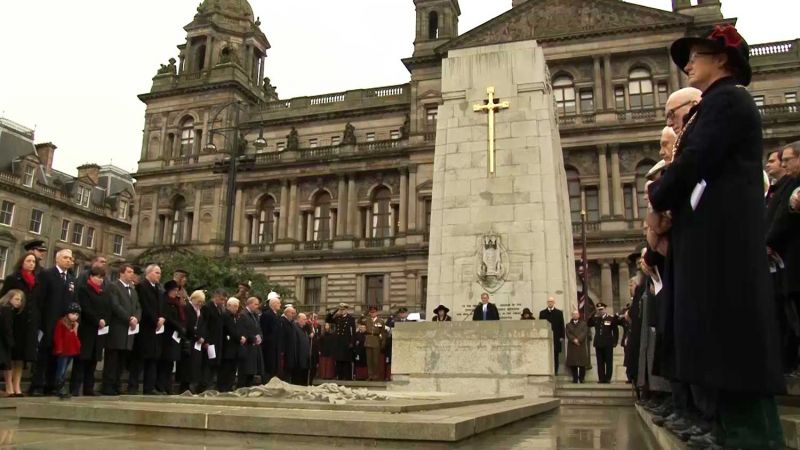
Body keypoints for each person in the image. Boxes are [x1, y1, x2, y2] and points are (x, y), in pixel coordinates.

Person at [649, 24, 785, 447]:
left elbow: (692, 164)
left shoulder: (728, 101)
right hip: (710, 240)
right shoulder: (716, 105)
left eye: (697, 55)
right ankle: (730, 431)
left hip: (724, 244)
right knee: (716, 340)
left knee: (732, 341)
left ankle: (753, 438)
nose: (688, 63)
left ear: (722, 60)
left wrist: (659, 194)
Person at [766, 142, 800, 375]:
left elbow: (782, 219)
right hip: (781, 258)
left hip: (792, 258)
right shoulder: (784, 186)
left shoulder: (791, 186)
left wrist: (769, 242)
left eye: (787, 159)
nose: (784, 163)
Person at [29, 249, 75, 396]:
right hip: (48, 322)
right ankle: (37, 385)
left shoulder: (71, 279)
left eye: (71, 258)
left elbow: (73, 300)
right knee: (44, 354)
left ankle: (51, 385)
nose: (69, 260)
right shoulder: (47, 275)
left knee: (58, 354)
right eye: (66, 258)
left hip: (64, 324)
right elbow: (39, 299)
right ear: (58, 259)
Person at [0, 252, 39, 396]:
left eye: (34, 262)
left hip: (29, 324)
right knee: (11, 355)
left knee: (21, 357)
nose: (31, 264)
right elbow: (4, 298)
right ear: (22, 262)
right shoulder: (13, 278)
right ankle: (9, 385)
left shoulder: (36, 281)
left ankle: (17, 385)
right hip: (15, 321)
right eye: (28, 261)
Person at [101, 264, 141, 396]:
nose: (132, 274)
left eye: (133, 272)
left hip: (129, 331)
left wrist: (136, 318)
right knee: (112, 359)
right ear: (122, 273)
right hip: (117, 328)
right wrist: (129, 318)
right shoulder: (114, 286)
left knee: (121, 360)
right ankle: (108, 386)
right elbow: (115, 305)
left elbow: (138, 307)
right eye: (129, 272)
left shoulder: (133, 290)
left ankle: (116, 385)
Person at [70, 266, 110, 396]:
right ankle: (75, 388)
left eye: (102, 278)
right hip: (87, 329)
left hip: (99, 331)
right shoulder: (83, 290)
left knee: (93, 361)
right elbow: (85, 308)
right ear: (91, 277)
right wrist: (97, 320)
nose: (100, 280)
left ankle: (89, 388)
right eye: (97, 277)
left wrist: (104, 320)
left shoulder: (103, 292)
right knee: (81, 359)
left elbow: (107, 308)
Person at [134, 264, 166, 395]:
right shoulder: (142, 287)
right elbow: (145, 306)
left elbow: (161, 306)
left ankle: (149, 387)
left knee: (153, 358)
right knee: (141, 358)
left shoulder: (158, 288)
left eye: (160, 273)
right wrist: (155, 320)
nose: (159, 275)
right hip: (146, 327)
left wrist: (162, 318)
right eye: (157, 272)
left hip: (157, 328)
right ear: (149, 273)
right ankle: (134, 386)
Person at [158, 280, 187, 395]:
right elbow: (168, 317)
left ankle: (168, 386)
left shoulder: (177, 303)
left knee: (170, 363)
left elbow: (182, 317)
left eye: (177, 290)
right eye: (174, 290)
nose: (176, 293)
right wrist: (179, 326)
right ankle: (161, 385)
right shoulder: (165, 301)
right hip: (167, 334)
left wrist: (182, 327)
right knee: (164, 362)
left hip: (176, 336)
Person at [198, 289, 226, 391]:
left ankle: (210, 384)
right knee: (207, 364)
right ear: (216, 297)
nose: (223, 302)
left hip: (218, 341)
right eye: (221, 299)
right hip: (209, 341)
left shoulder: (220, 309)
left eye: (224, 300)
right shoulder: (207, 307)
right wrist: (205, 341)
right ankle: (203, 385)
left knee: (214, 363)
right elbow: (204, 325)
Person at [52, 303, 81, 399]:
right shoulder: (62, 322)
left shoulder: (74, 325)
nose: (75, 316)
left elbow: (75, 338)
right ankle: (59, 387)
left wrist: (78, 347)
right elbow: (58, 336)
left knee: (64, 370)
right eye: (73, 314)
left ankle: (62, 387)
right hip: (63, 350)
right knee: (61, 369)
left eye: (77, 315)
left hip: (71, 351)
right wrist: (59, 348)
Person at [177, 289, 204, 393]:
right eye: (199, 301)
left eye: (201, 302)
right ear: (193, 299)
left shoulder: (199, 311)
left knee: (194, 365)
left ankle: (190, 385)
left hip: (197, 342)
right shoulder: (187, 308)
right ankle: (183, 386)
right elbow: (188, 324)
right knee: (186, 365)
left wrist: (202, 336)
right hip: (189, 339)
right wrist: (196, 336)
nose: (200, 303)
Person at [0, 290, 24, 396]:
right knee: (5, 363)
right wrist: (11, 342)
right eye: (17, 299)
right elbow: (7, 328)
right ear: (9, 298)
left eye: (21, 300)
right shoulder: (7, 310)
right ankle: (9, 388)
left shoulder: (7, 309)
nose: (19, 302)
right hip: (3, 341)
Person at [588, 303, 619, 384]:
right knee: (600, 362)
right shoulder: (596, 319)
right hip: (598, 343)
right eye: (599, 309)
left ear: (605, 309)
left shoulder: (610, 318)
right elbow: (588, 323)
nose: (600, 311)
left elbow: (615, 331)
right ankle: (601, 378)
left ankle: (608, 378)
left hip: (608, 343)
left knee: (608, 361)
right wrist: (593, 313)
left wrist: (615, 341)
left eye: (601, 309)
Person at [238, 297, 264, 387]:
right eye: (256, 304)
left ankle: (248, 388)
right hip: (247, 347)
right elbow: (243, 330)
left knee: (252, 372)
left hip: (255, 347)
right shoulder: (243, 315)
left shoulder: (255, 315)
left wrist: (260, 337)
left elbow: (258, 329)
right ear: (249, 304)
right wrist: (253, 338)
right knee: (245, 371)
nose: (257, 306)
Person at [219, 298, 243, 392]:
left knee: (232, 369)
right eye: (235, 306)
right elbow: (231, 330)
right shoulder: (226, 316)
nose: (237, 308)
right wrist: (240, 338)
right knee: (226, 369)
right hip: (228, 348)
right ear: (229, 306)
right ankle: (223, 388)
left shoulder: (234, 316)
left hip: (234, 348)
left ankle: (229, 386)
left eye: (237, 306)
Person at [326, 303, 355, 381]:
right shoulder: (338, 318)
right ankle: (340, 376)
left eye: (343, 309)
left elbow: (353, 331)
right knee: (339, 360)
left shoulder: (350, 318)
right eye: (341, 309)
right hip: (338, 342)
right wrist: (335, 310)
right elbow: (328, 319)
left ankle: (347, 377)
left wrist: (352, 342)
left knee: (346, 360)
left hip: (346, 342)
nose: (342, 311)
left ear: (346, 310)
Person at [539, 297, 565, 376]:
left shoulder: (559, 312)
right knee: (545, 355)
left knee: (555, 355)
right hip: (545, 338)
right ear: (547, 303)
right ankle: (546, 371)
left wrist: (562, 336)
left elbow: (561, 325)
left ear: (554, 302)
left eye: (551, 301)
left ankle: (555, 371)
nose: (550, 303)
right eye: (549, 301)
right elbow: (540, 325)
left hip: (556, 337)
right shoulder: (542, 313)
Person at [360, 306, 386, 381]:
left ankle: (376, 376)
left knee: (375, 360)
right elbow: (359, 321)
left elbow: (383, 333)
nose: (372, 314)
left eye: (374, 312)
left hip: (376, 341)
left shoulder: (380, 321)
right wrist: (364, 313)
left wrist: (383, 343)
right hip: (368, 341)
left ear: (376, 312)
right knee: (369, 360)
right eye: (371, 312)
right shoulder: (367, 320)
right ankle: (370, 375)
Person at [260, 292, 281, 380]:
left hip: (275, 345)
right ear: (273, 304)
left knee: (274, 368)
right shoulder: (266, 314)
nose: (280, 304)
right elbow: (264, 330)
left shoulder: (276, 315)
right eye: (279, 303)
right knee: (269, 367)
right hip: (269, 346)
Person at [565, 310, 589, 384]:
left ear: (578, 315)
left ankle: (582, 378)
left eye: (576, 314)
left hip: (580, 345)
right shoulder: (568, 325)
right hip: (572, 346)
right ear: (572, 316)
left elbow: (584, 332)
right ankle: (575, 378)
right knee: (573, 363)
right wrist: (573, 339)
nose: (575, 315)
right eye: (573, 314)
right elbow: (568, 333)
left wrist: (578, 339)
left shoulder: (583, 324)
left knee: (582, 364)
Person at [291, 313, 312, 386]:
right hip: (298, 356)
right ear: (299, 319)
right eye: (304, 319)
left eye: (306, 319)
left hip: (305, 356)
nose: (306, 321)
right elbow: (294, 343)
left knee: (304, 374)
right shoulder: (295, 327)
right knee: (298, 377)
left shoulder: (304, 329)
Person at [277, 306, 296, 382]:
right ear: (287, 313)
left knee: (288, 371)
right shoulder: (282, 321)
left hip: (290, 351)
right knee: (283, 372)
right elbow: (281, 337)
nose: (293, 315)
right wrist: (282, 351)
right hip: (284, 352)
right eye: (292, 313)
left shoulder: (290, 322)